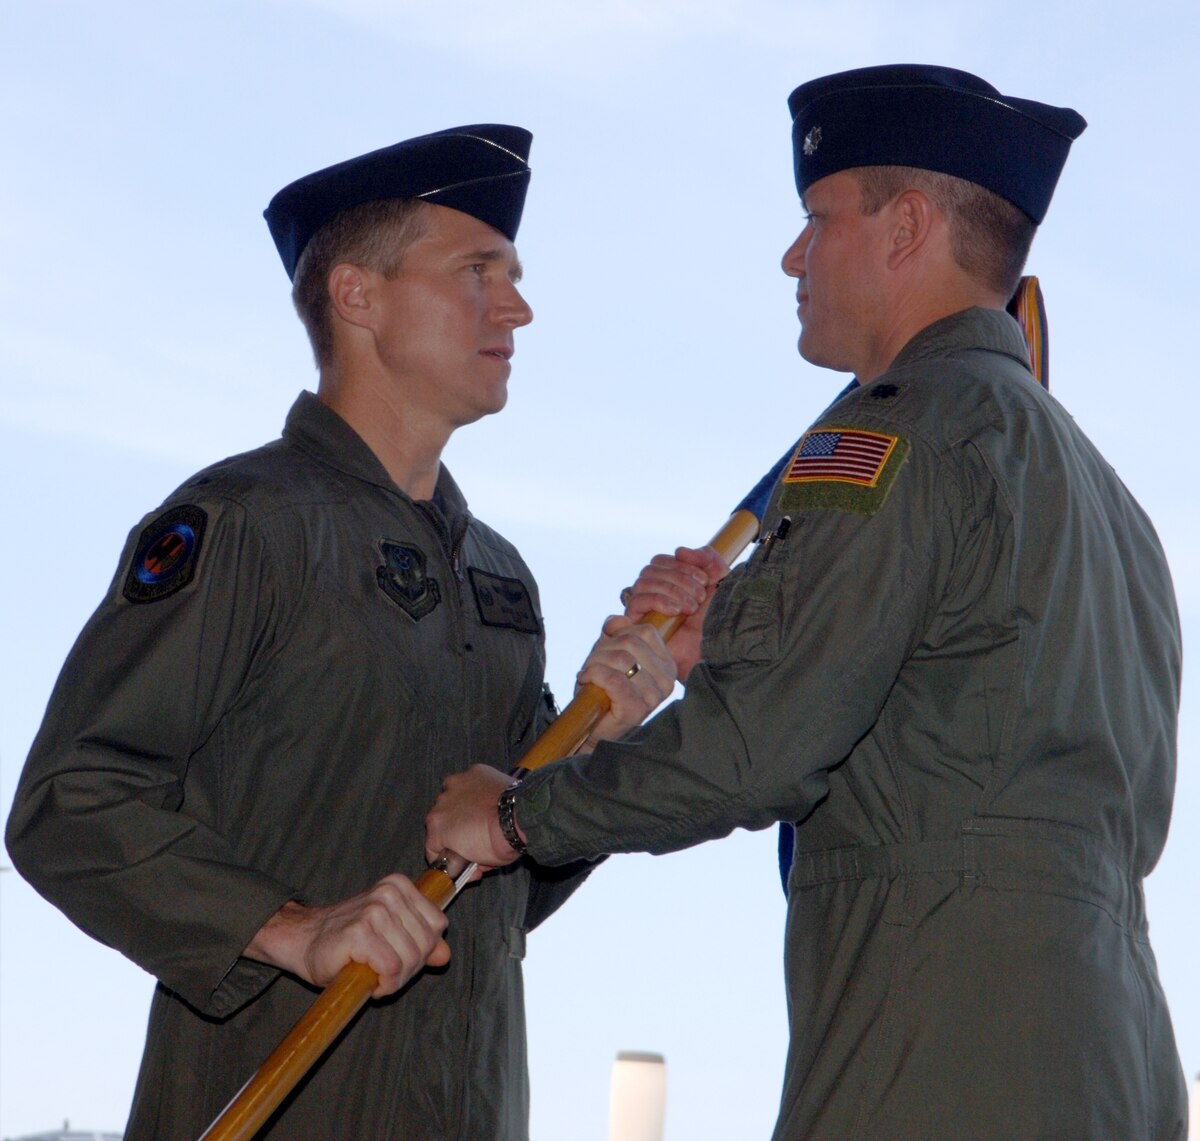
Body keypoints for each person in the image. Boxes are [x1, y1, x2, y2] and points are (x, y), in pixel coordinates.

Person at [425, 68, 1189, 1138]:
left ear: (906, 227)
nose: (793, 256)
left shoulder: (892, 436)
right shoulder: (1110, 500)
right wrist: (729, 632)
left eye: (817, 219)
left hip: (936, 1045)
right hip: (1112, 1050)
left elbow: (758, 751)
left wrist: (512, 814)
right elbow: (946, 703)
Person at [5, 125, 674, 1140]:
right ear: (357, 295)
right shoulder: (243, 525)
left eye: (516, 276)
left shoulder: (501, 577)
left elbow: (496, 899)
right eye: (478, 272)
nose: (520, 307)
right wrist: (291, 929)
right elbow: (69, 804)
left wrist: (601, 737)